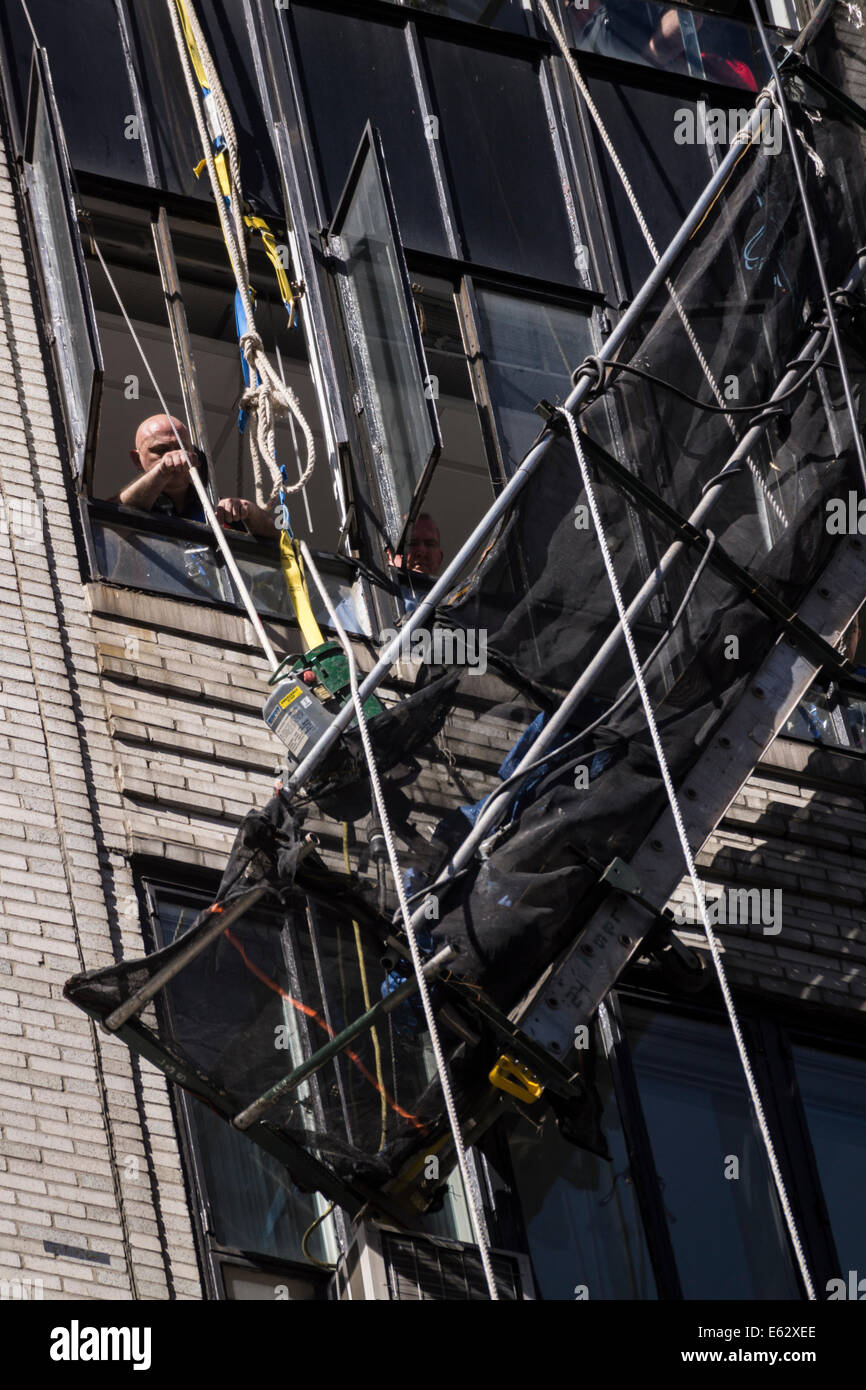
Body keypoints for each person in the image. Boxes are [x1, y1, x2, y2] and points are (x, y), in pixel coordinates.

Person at [110, 414, 275, 538]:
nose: (175, 455)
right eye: (161, 450)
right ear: (136, 459)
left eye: (182, 447)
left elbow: (279, 538)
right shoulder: (134, 501)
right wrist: (162, 471)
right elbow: (109, 523)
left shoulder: (213, 506)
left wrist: (249, 512)